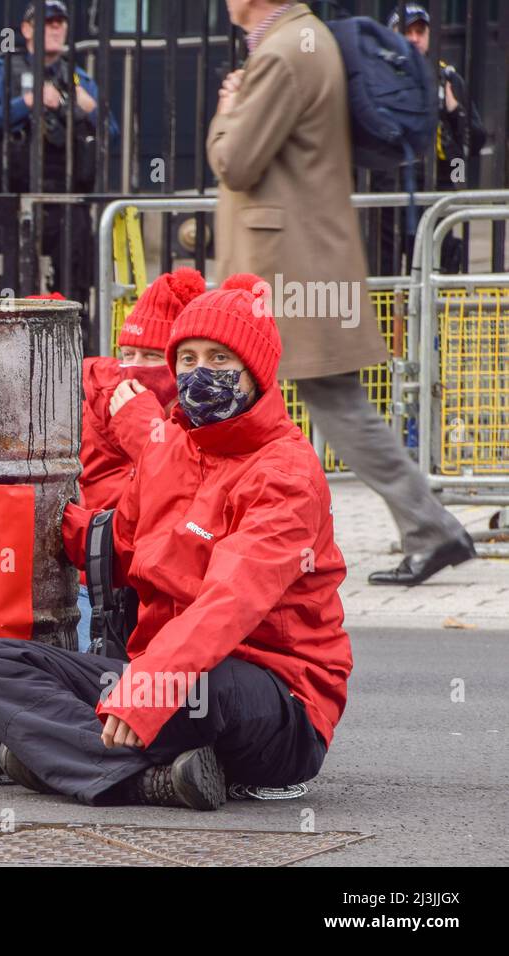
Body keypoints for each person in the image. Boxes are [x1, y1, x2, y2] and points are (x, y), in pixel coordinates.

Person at [0, 274, 352, 809]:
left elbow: (231, 601)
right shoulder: (167, 449)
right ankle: (150, 777)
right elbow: (114, 547)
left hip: (274, 697)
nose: (199, 374)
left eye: (219, 359)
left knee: (205, 689)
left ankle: (61, 758)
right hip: (157, 674)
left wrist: (147, 690)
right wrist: (8, 522)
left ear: (256, 372)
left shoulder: (287, 471)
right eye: (187, 359)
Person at [208, 0, 475, 585]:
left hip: (285, 267)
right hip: (300, 258)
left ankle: (426, 528)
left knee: (282, 398)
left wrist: (228, 108)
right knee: (303, 400)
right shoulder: (301, 41)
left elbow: (236, 162)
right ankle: (423, 527)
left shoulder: (281, 53)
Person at [73, 267, 204, 649]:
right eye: (127, 353)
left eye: (149, 356)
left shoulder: (201, 419)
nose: (133, 367)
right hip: (98, 587)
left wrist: (144, 427)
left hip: (166, 591)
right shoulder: (100, 404)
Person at [0, 0, 115, 302]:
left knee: (73, 287)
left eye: (60, 23)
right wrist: (27, 103)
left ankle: (75, 343)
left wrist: (88, 109)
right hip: (12, 197)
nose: (55, 28)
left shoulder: (80, 78)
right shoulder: (0, 72)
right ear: (26, 29)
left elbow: (112, 132)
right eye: (47, 22)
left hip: (66, 199)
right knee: (11, 291)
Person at [377, 3, 487, 274]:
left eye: (420, 31)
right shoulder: (375, 77)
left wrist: (453, 111)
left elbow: (474, 143)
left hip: (434, 194)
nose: (414, 38)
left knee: (432, 274)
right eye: (406, 31)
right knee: (384, 279)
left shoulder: (446, 78)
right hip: (386, 195)